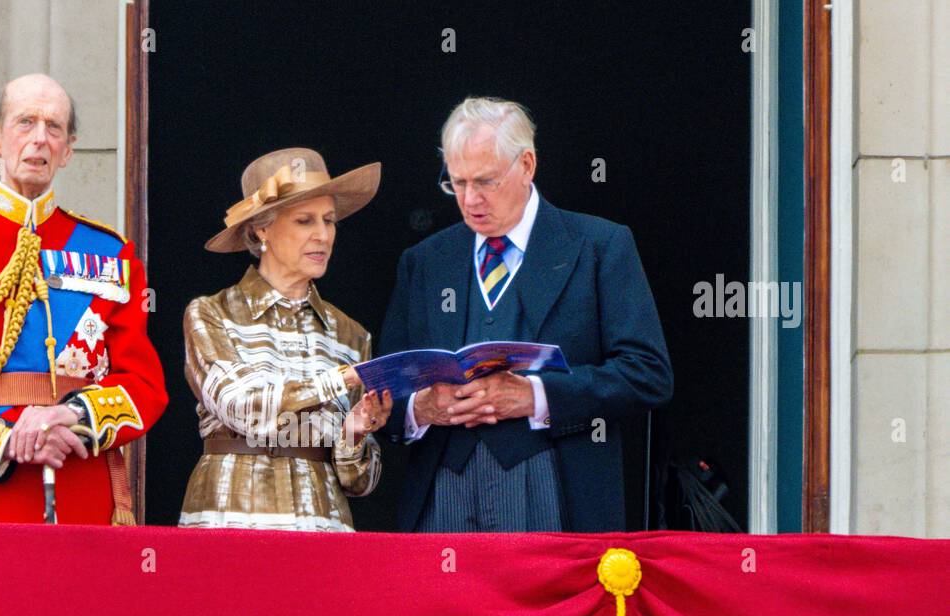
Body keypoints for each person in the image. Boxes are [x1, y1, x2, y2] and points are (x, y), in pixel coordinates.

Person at [379, 97, 673, 532]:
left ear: (527, 165)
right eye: (456, 183)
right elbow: (386, 388)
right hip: (441, 493)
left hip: (554, 488)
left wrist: (534, 397)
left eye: (486, 181)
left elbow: (647, 374)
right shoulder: (425, 261)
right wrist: (422, 408)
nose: (470, 199)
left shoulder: (598, 246)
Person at [0, 73, 167, 523]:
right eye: (26, 122)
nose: (40, 139)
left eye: (54, 127)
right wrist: (3, 440)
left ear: (68, 150)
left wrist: (70, 418)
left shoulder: (112, 255)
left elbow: (144, 385)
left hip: (79, 480)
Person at [179, 148, 392, 531]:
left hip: (323, 528)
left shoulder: (352, 334)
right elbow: (240, 405)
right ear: (262, 228)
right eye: (305, 220)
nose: (323, 235)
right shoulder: (211, 313)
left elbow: (361, 484)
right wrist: (337, 380)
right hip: (229, 520)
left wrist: (354, 434)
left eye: (329, 221)